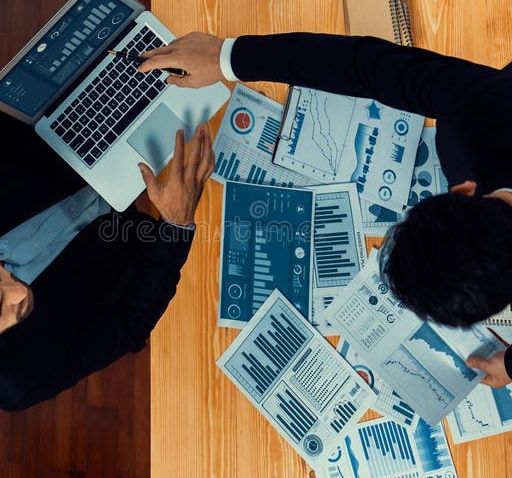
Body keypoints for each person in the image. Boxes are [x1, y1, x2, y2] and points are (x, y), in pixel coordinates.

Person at [139, 30, 512, 389]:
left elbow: (372, 65)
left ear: (464, 190)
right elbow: (364, 67)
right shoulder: (485, 110)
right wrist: (227, 57)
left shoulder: (476, 116)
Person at [0, 103, 214, 410]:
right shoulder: (20, 381)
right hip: (134, 239)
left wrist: (74, 115)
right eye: (1, 309)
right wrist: (176, 224)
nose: (20, 292)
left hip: (84, 137)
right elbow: (131, 323)